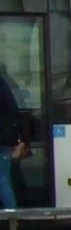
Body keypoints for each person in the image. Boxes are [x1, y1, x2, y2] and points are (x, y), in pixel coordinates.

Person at [0, 73, 24, 211]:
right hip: (6, 140)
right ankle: (13, 223)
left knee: (2, 181)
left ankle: (13, 221)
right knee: (4, 179)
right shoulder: (3, 83)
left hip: (2, 140)